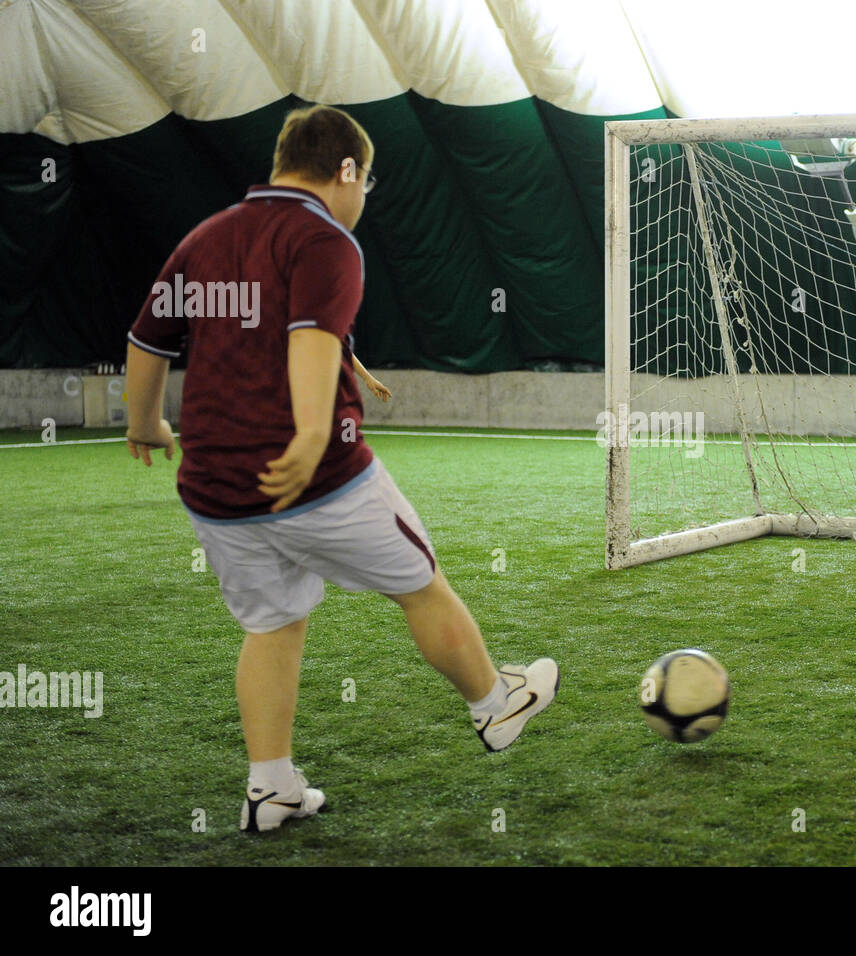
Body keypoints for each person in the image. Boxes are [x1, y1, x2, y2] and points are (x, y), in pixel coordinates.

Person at [124, 104, 558, 833]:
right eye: (368, 179)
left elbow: (147, 341)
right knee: (422, 587)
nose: (367, 196)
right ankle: (496, 703)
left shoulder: (206, 237)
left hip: (217, 493)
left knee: (272, 625)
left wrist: (144, 423)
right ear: (346, 170)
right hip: (321, 480)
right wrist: (310, 434)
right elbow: (307, 344)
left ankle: (271, 788)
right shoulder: (325, 239)